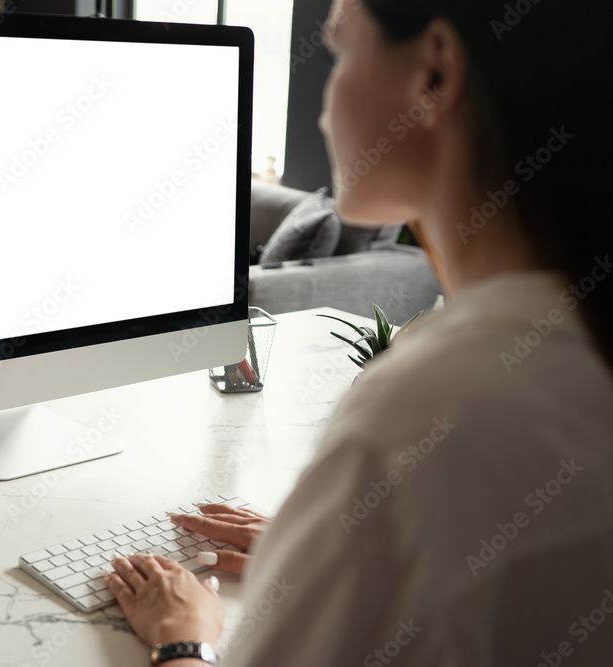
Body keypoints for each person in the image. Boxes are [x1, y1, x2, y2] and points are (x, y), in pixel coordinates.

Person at [104, 0, 613, 664]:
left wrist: (181, 635)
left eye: (341, 51)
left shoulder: (428, 410)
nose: (322, 112)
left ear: (433, 74)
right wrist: (343, 552)